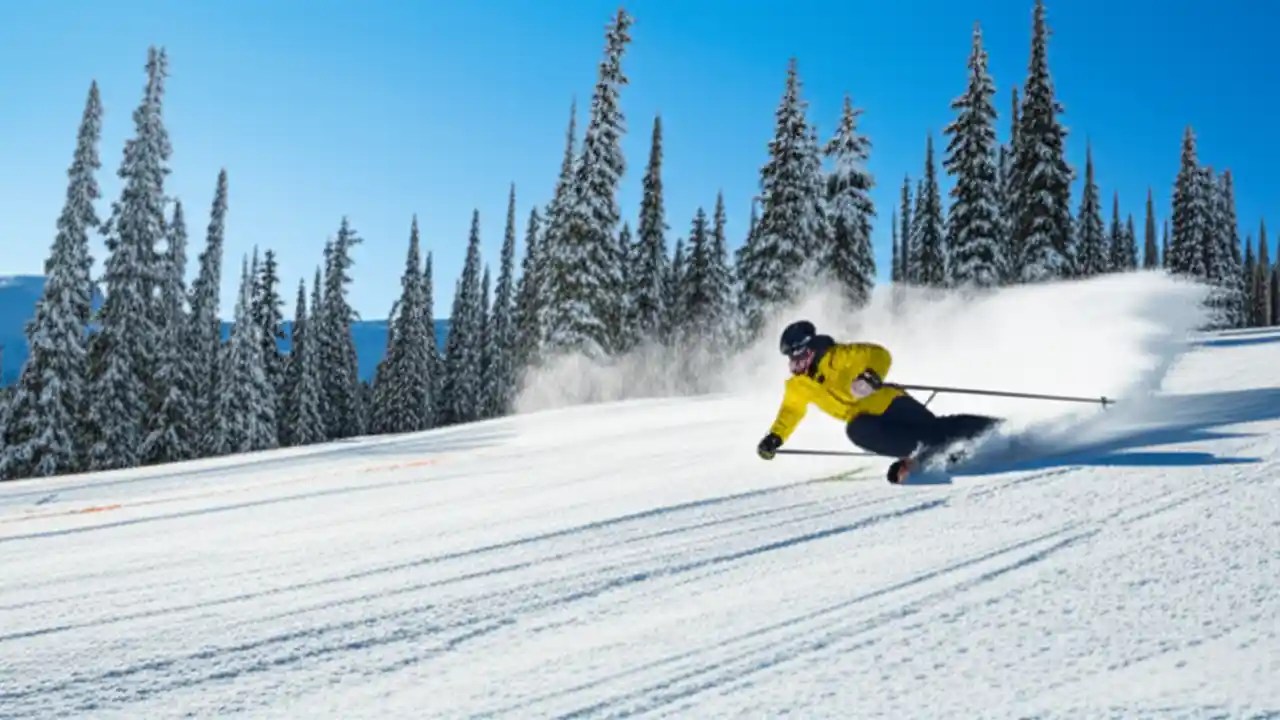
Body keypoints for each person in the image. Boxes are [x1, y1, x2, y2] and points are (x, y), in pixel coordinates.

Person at [756, 320, 999, 483]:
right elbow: (790, 410)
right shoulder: (798, 385)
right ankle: (923, 455)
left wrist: (871, 377)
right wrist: (774, 437)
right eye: (790, 358)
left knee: (933, 428)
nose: (794, 363)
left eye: (798, 355)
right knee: (856, 430)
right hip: (866, 422)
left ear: (810, 348)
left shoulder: (837, 356)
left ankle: (995, 429)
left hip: (888, 403)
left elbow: (878, 354)